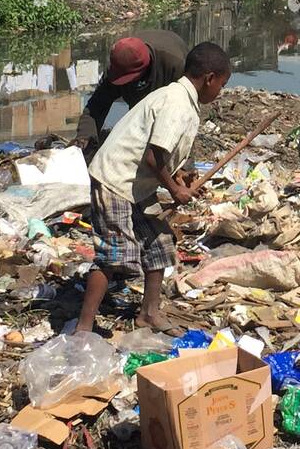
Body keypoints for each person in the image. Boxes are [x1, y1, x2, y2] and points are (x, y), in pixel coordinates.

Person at [77, 42, 232, 333]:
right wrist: (175, 191)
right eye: (221, 85)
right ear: (209, 78)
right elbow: (153, 157)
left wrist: (180, 178)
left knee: (159, 242)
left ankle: (148, 313)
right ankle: (83, 329)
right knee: (113, 254)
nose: (220, 92)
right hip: (115, 179)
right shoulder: (177, 103)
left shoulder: (178, 97)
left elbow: (161, 156)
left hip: (135, 183)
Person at [75, 31, 187, 148]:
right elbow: (96, 106)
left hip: (168, 78)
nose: (126, 83)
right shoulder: (118, 65)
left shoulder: (175, 64)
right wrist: (84, 137)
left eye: (129, 79)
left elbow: (184, 112)